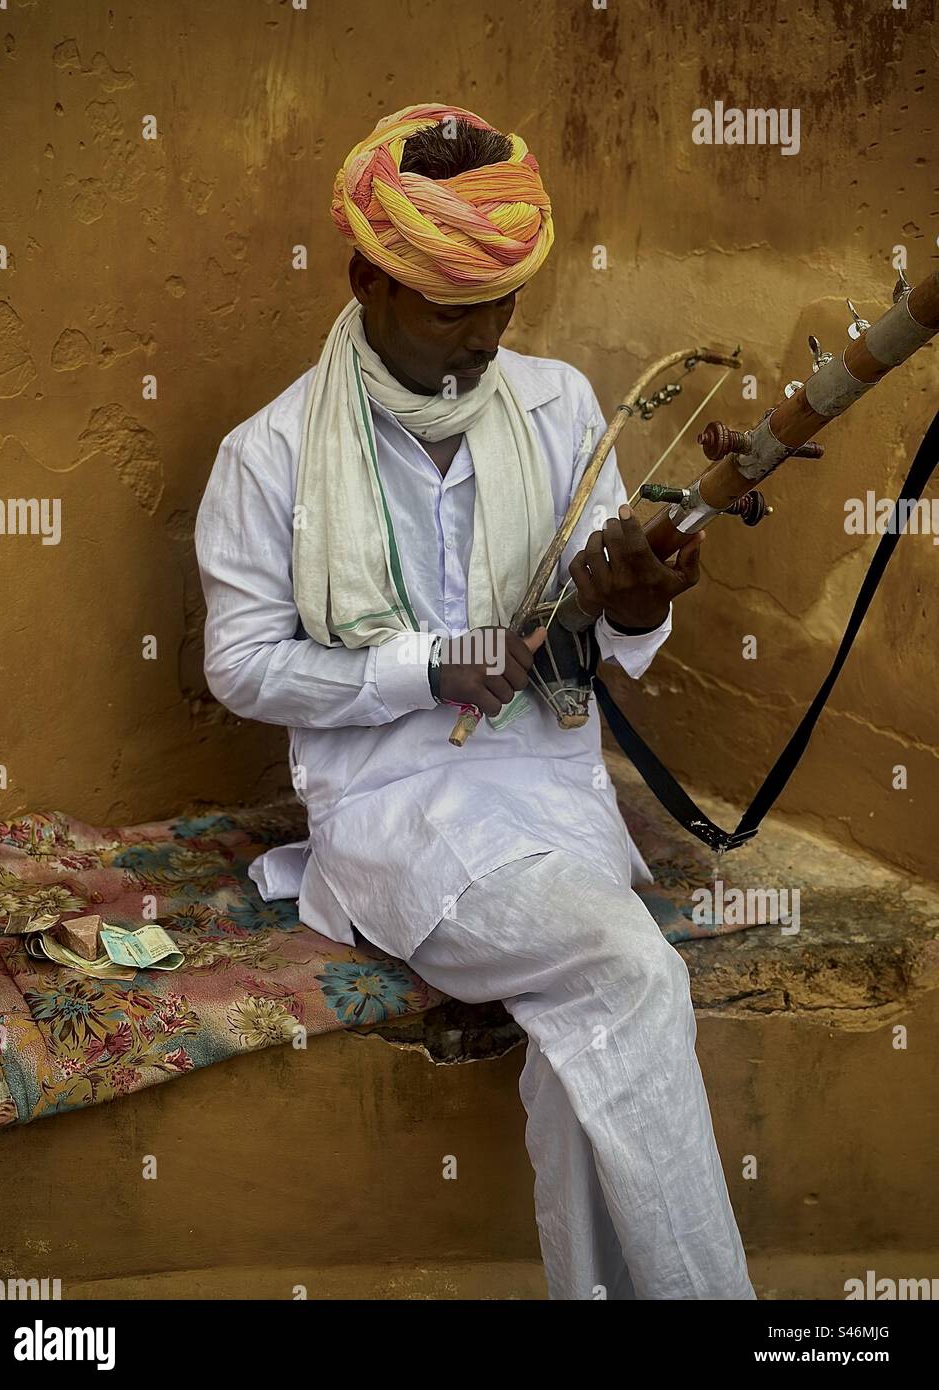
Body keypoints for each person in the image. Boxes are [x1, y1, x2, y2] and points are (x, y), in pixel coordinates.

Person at [195, 102, 755, 1301]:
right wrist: (419, 668)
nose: (489, 336)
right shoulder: (271, 455)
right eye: (456, 309)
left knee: (582, 1046)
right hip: (394, 814)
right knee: (631, 974)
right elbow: (239, 665)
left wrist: (641, 600)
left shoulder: (556, 405)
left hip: (553, 793)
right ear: (368, 280)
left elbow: (610, 632)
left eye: (505, 302)